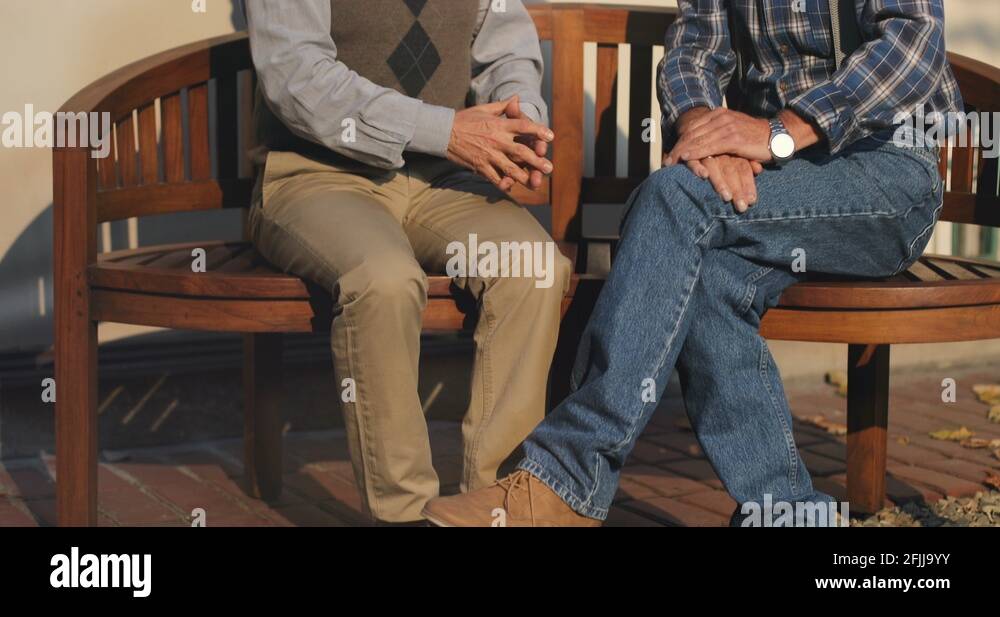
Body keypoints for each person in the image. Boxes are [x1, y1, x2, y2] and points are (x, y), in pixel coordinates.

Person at [422, 0, 961, 527]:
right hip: (773, 174)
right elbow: (694, 49)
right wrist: (705, 131)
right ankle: (786, 511)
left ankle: (566, 478)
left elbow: (914, 39)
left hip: (886, 171)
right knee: (700, 273)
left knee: (675, 197)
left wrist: (780, 132)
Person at [244, 0, 571, 525]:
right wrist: (443, 130)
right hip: (316, 175)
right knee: (384, 279)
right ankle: (405, 513)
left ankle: (494, 505)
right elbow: (296, 76)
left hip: (441, 179)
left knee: (533, 266)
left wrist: (519, 118)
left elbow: (506, 48)